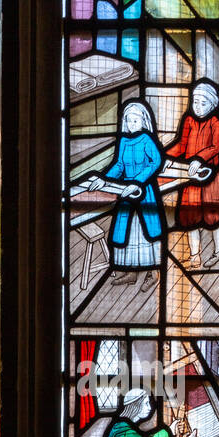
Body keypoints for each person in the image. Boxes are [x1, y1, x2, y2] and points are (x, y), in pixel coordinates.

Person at [85, 100, 163, 294]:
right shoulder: (124, 141)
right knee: (127, 233)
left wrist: (137, 182)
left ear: (143, 121)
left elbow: (155, 162)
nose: (131, 124)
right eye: (128, 120)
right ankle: (131, 272)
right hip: (125, 193)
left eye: (135, 121)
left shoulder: (146, 139)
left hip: (144, 192)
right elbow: (119, 165)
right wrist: (104, 180)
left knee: (147, 233)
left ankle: (153, 274)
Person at [165, 80, 219, 266]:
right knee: (190, 217)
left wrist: (199, 159)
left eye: (203, 103)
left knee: (214, 216)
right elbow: (181, 145)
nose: (198, 107)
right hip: (191, 179)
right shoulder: (189, 121)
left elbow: (215, 147)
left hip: (211, 178)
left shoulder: (215, 122)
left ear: (212, 105)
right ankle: (195, 255)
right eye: (195, 102)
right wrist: (166, 158)